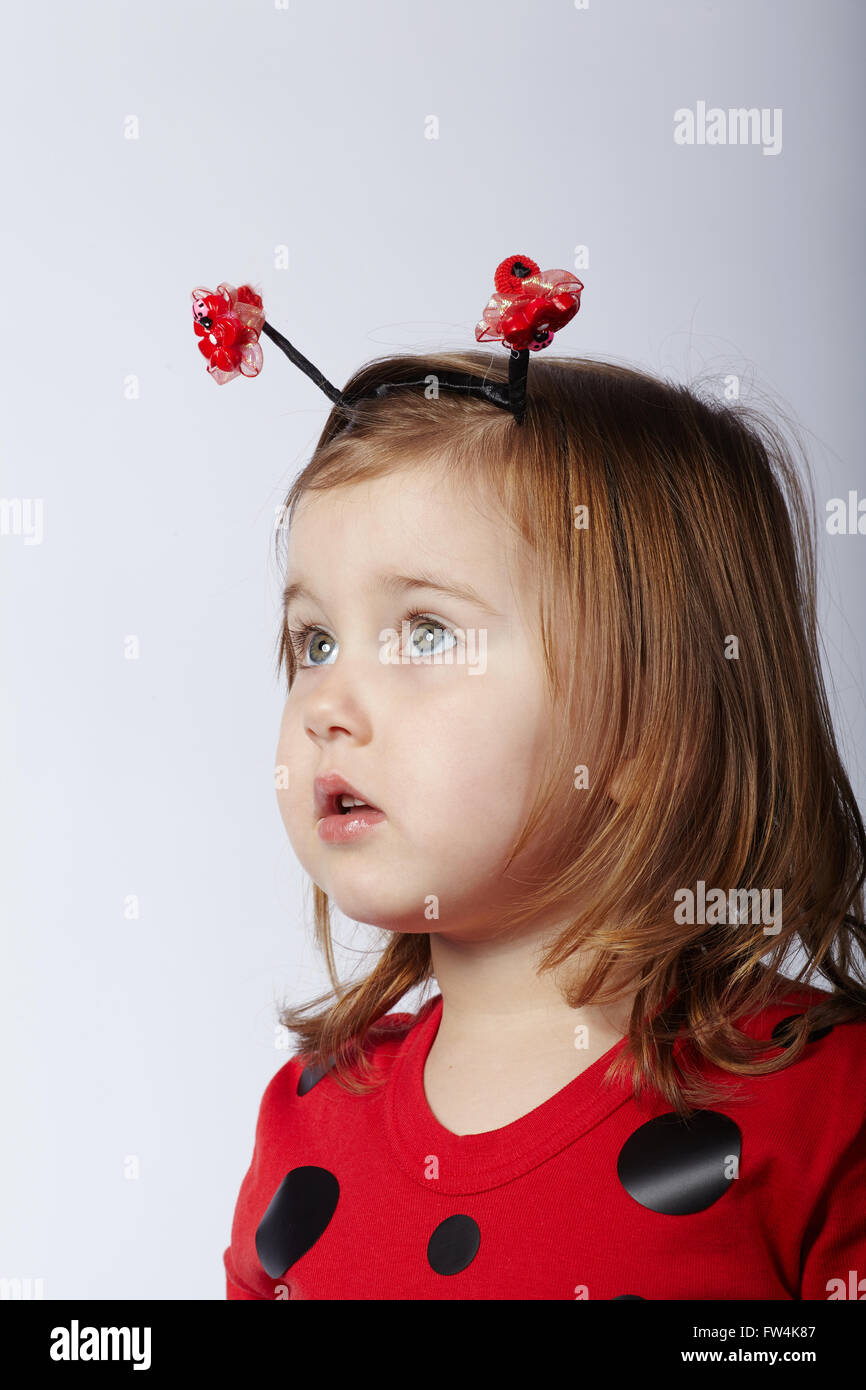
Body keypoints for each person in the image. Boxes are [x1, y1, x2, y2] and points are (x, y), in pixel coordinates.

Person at [200, 265, 866, 1300]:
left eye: (426, 632)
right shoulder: (307, 1117)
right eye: (315, 640)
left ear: (648, 728)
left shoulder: (822, 1109)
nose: (326, 702)